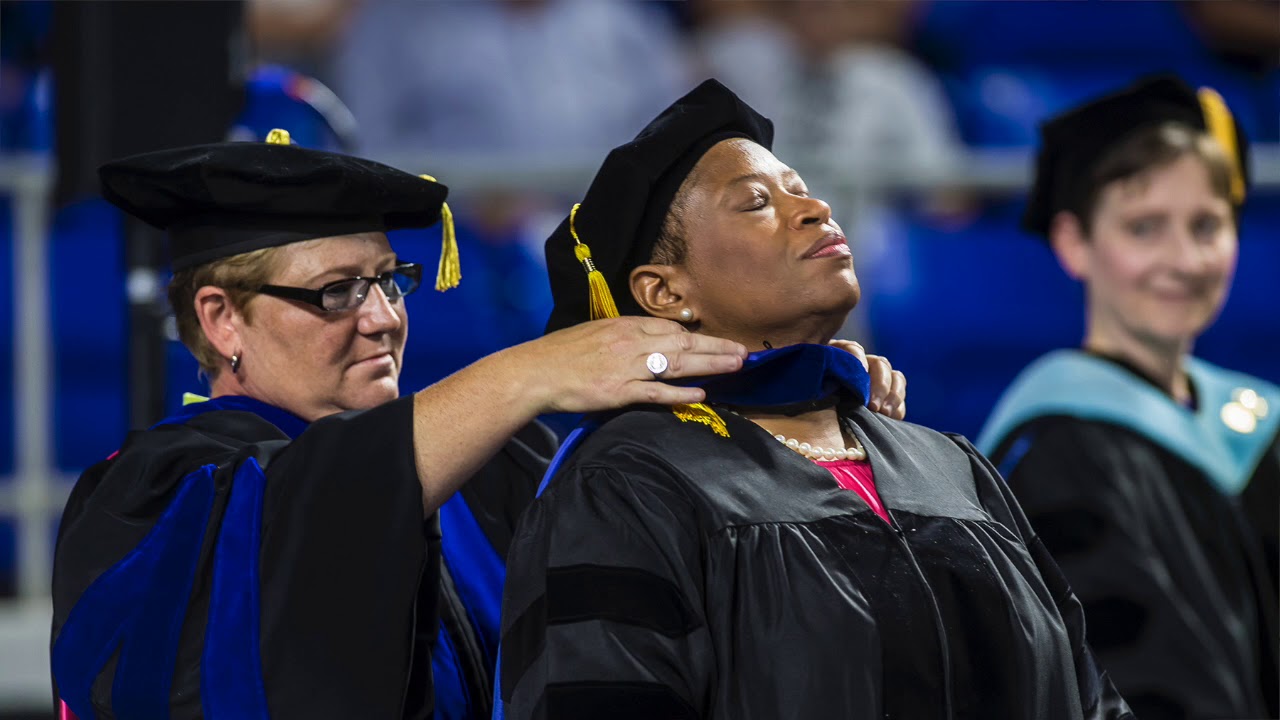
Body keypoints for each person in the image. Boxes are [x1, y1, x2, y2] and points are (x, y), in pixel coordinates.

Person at [49, 130, 907, 719]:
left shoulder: (493, 461)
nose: (382, 318)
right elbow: (302, 526)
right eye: (335, 292)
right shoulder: (154, 494)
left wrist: (798, 388)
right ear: (221, 319)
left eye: (389, 281)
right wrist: (526, 372)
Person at [496, 79, 1132, 719]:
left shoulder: (948, 466)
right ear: (665, 293)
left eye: (800, 190)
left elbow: (1088, 697)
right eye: (754, 203)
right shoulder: (628, 488)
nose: (815, 209)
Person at [976, 75, 1279, 719]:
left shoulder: (1255, 422)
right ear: (1074, 243)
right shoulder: (1056, 449)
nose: (1185, 259)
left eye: (1207, 225)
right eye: (1144, 228)